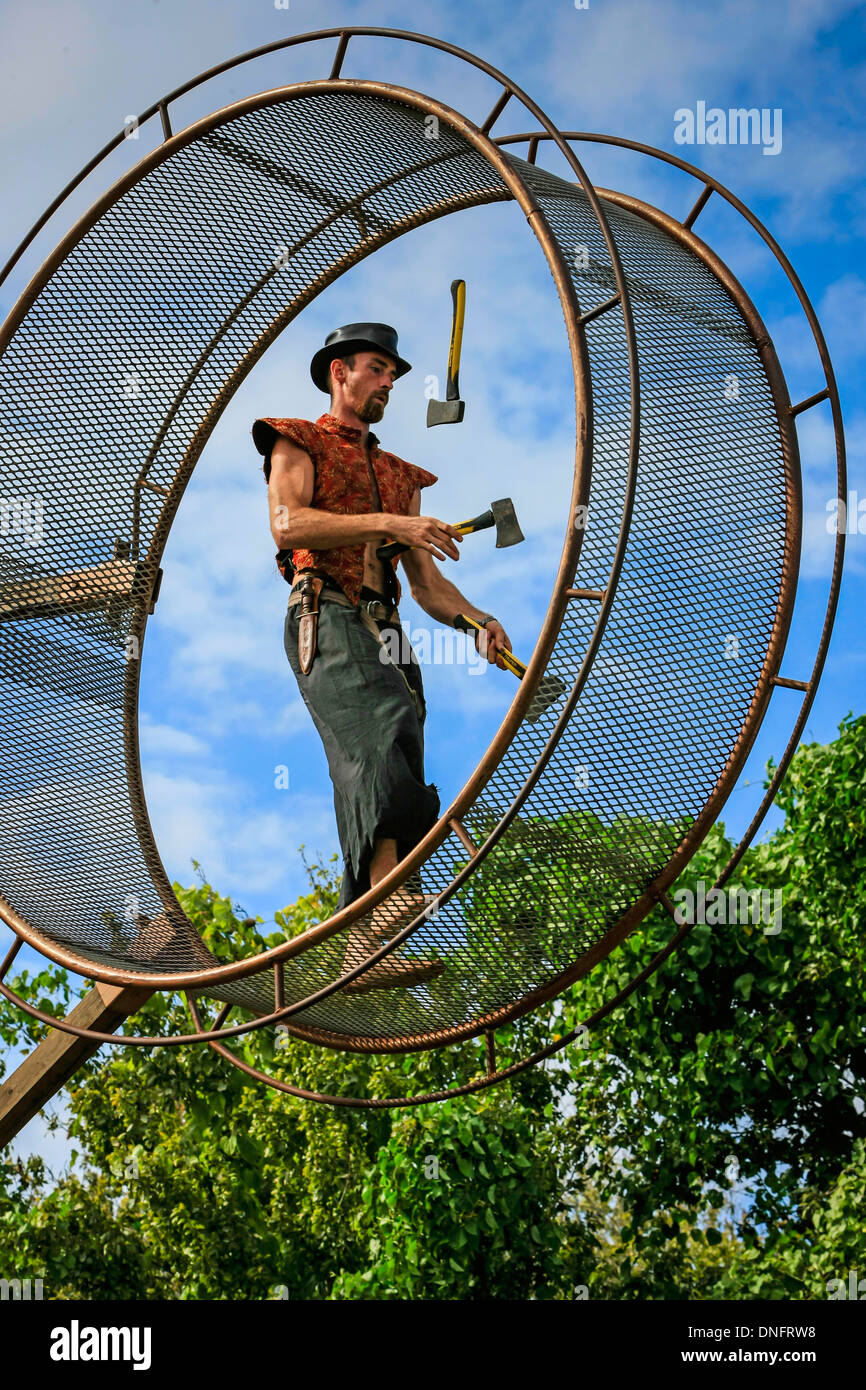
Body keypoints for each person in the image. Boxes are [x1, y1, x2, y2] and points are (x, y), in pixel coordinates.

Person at [252, 323, 512, 994]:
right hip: (324, 613)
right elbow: (289, 525)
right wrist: (391, 526)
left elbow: (425, 585)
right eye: (376, 369)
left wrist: (477, 621)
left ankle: (361, 945)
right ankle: (387, 911)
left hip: (387, 626)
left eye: (394, 373)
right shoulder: (296, 439)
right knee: (381, 729)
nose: (389, 383)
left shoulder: (399, 476)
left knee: (401, 763)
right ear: (339, 373)